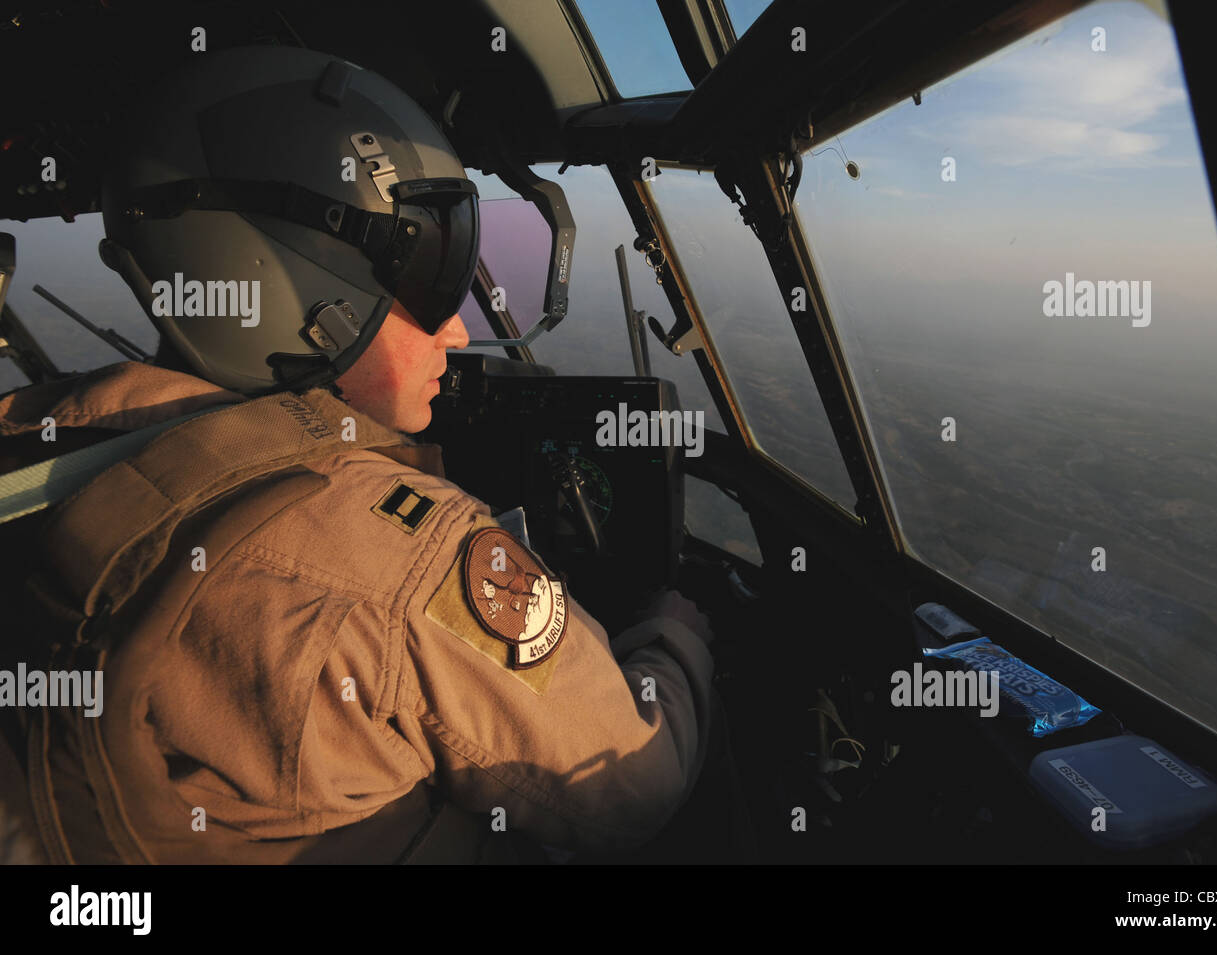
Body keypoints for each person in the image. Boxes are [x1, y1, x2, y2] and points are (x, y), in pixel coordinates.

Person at [0, 45, 715, 864]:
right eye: (435, 278)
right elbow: (633, 784)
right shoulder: (388, 559)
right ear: (296, 295)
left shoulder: (37, 434)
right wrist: (673, 636)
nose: (456, 329)